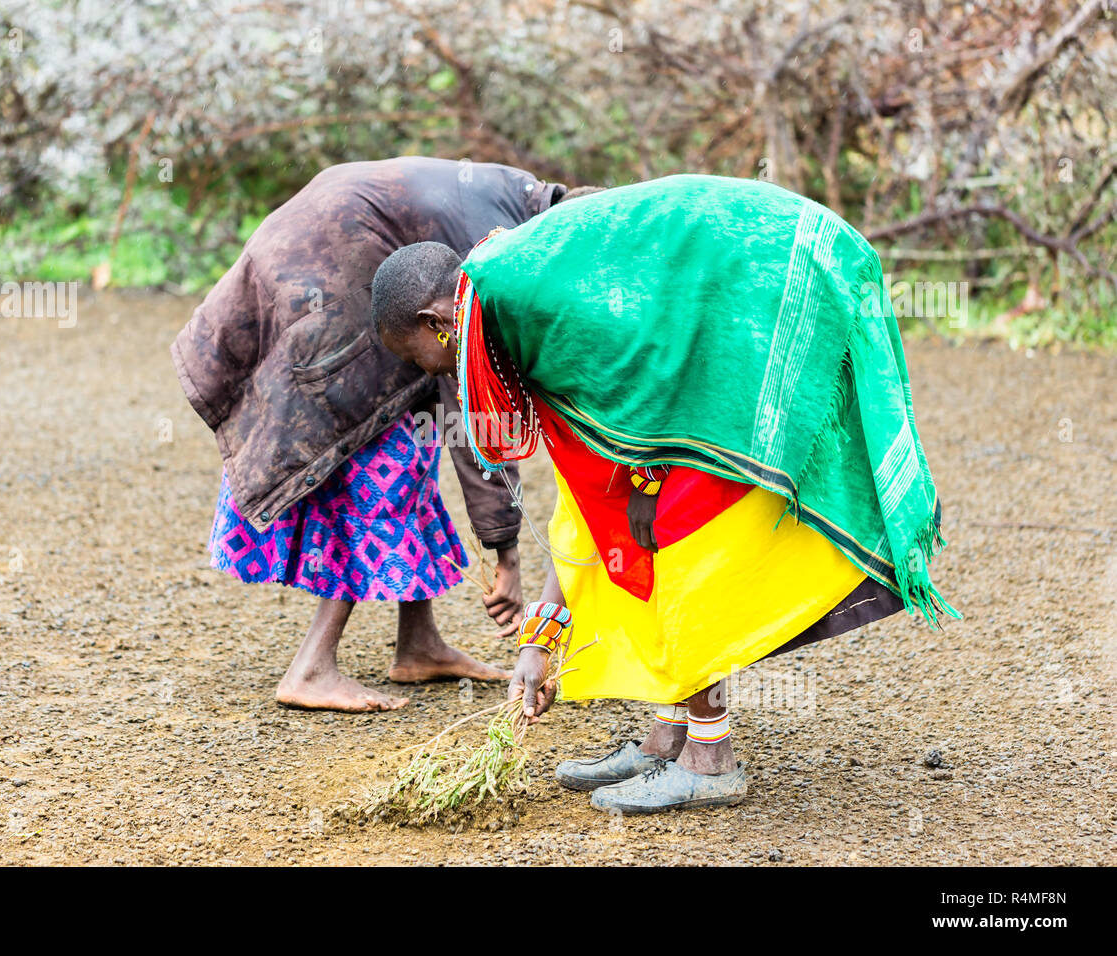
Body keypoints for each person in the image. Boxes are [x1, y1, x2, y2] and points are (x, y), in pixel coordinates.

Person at [370, 173, 959, 811]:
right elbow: (585, 494)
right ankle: (665, 740)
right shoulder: (493, 303)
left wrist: (650, 479)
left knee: (680, 532)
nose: (426, 374)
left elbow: (650, 371)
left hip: (764, 279)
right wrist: (541, 637)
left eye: (416, 357)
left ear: (436, 323)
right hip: (722, 295)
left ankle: (711, 759)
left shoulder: (518, 297)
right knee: (622, 526)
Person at [171, 157, 573, 713]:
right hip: (323, 293)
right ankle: (311, 667)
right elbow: (472, 394)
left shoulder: (507, 196)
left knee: (412, 452)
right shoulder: (494, 240)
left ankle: (419, 644)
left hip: (321, 269)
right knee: (376, 473)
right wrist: (505, 552)